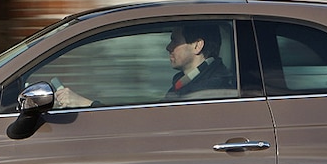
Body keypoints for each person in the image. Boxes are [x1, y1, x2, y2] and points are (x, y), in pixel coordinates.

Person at [53, 22, 233, 107]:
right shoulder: (189, 82)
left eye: (174, 41)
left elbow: (155, 122)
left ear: (196, 45)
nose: (168, 47)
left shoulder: (208, 90)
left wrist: (83, 103)